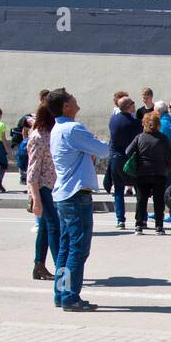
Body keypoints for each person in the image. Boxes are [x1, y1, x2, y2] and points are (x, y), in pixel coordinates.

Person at [47, 88, 110, 312]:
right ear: (66, 106)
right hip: (76, 195)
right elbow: (103, 150)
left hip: (64, 195)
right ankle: (70, 297)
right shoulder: (73, 128)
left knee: (65, 248)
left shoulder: (58, 129)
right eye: (73, 98)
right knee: (78, 249)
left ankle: (61, 293)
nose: (76, 100)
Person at [125, 109, 171, 234]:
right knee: (158, 201)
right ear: (158, 124)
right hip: (160, 173)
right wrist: (166, 167)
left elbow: (127, 152)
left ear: (144, 124)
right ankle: (159, 226)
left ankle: (139, 225)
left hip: (142, 172)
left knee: (141, 199)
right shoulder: (163, 138)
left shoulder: (139, 137)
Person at [26, 103, 58, 282]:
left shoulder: (52, 134)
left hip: (52, 187)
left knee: (46, 229)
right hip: (43, 188)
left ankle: (39, 265)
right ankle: (61, 267)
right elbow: (33, 170)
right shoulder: (38, 136)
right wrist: (35, 199)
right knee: (54, 226)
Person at [108, 95, 141, 230]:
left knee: (119, 189)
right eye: (133, 103)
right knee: (139, 188)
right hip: (130, 158)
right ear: (129, 106)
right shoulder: (135, 123)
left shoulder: (113, 120)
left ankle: (120, 219)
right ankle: (141, 218)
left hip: (116, 157)